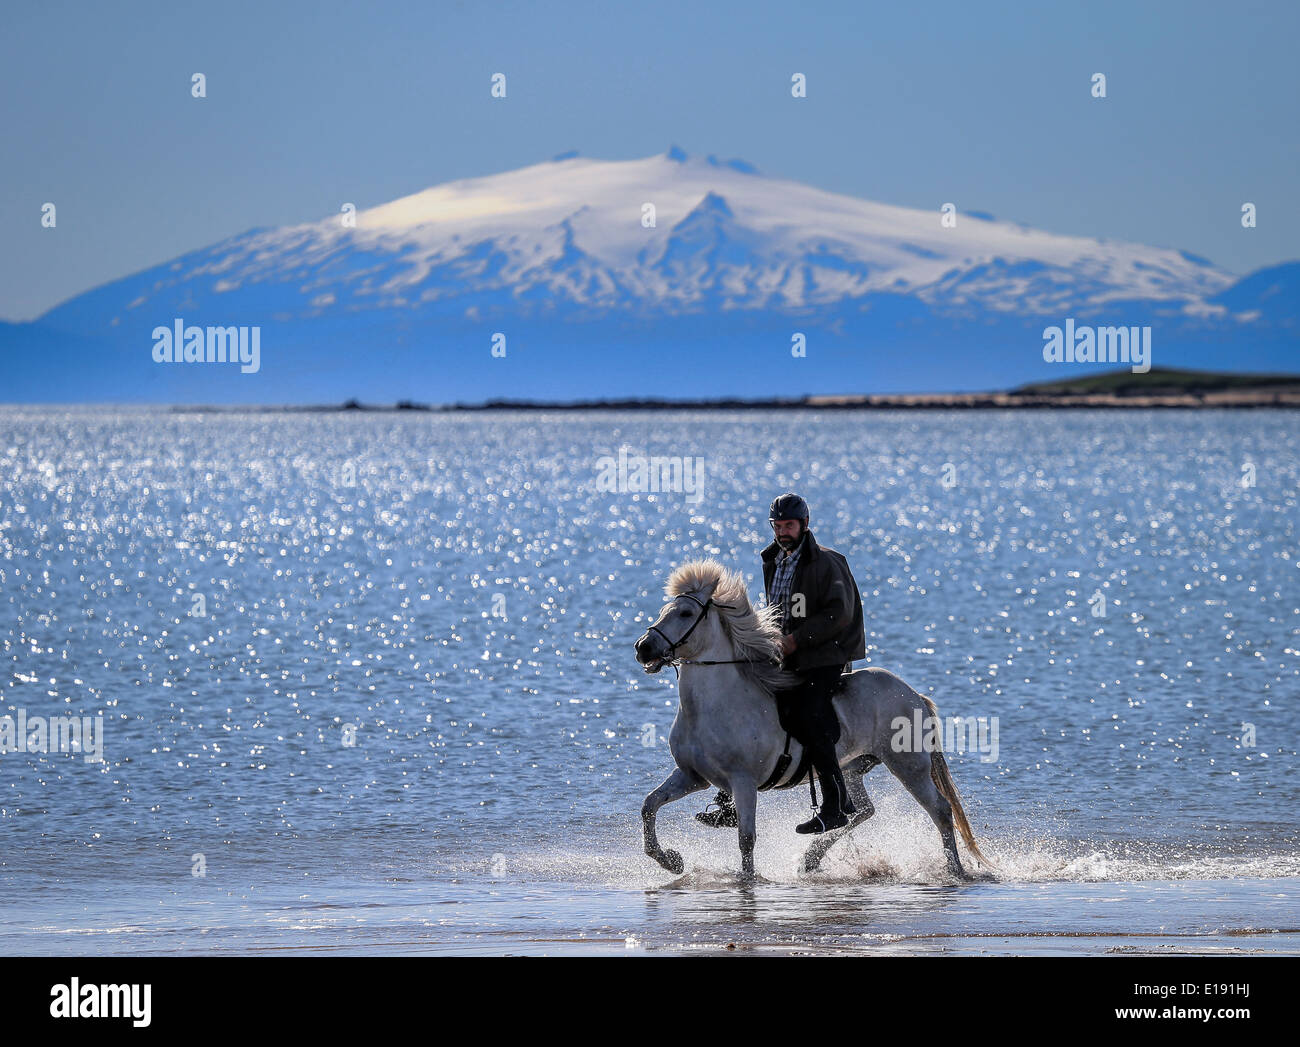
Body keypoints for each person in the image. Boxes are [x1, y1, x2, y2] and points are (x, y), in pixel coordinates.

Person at [695, 492, 867, 834]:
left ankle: (834, 807)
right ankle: (729, 803)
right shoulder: (774, 560)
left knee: (811, 717)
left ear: (805, 524)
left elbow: (838, 613)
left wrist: (795, 640)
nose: (782, 531)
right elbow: (780, 613)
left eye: (789, 525)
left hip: (826, 657)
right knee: (742, 702)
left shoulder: (828, 562)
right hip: (788, 655)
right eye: (777, 525)